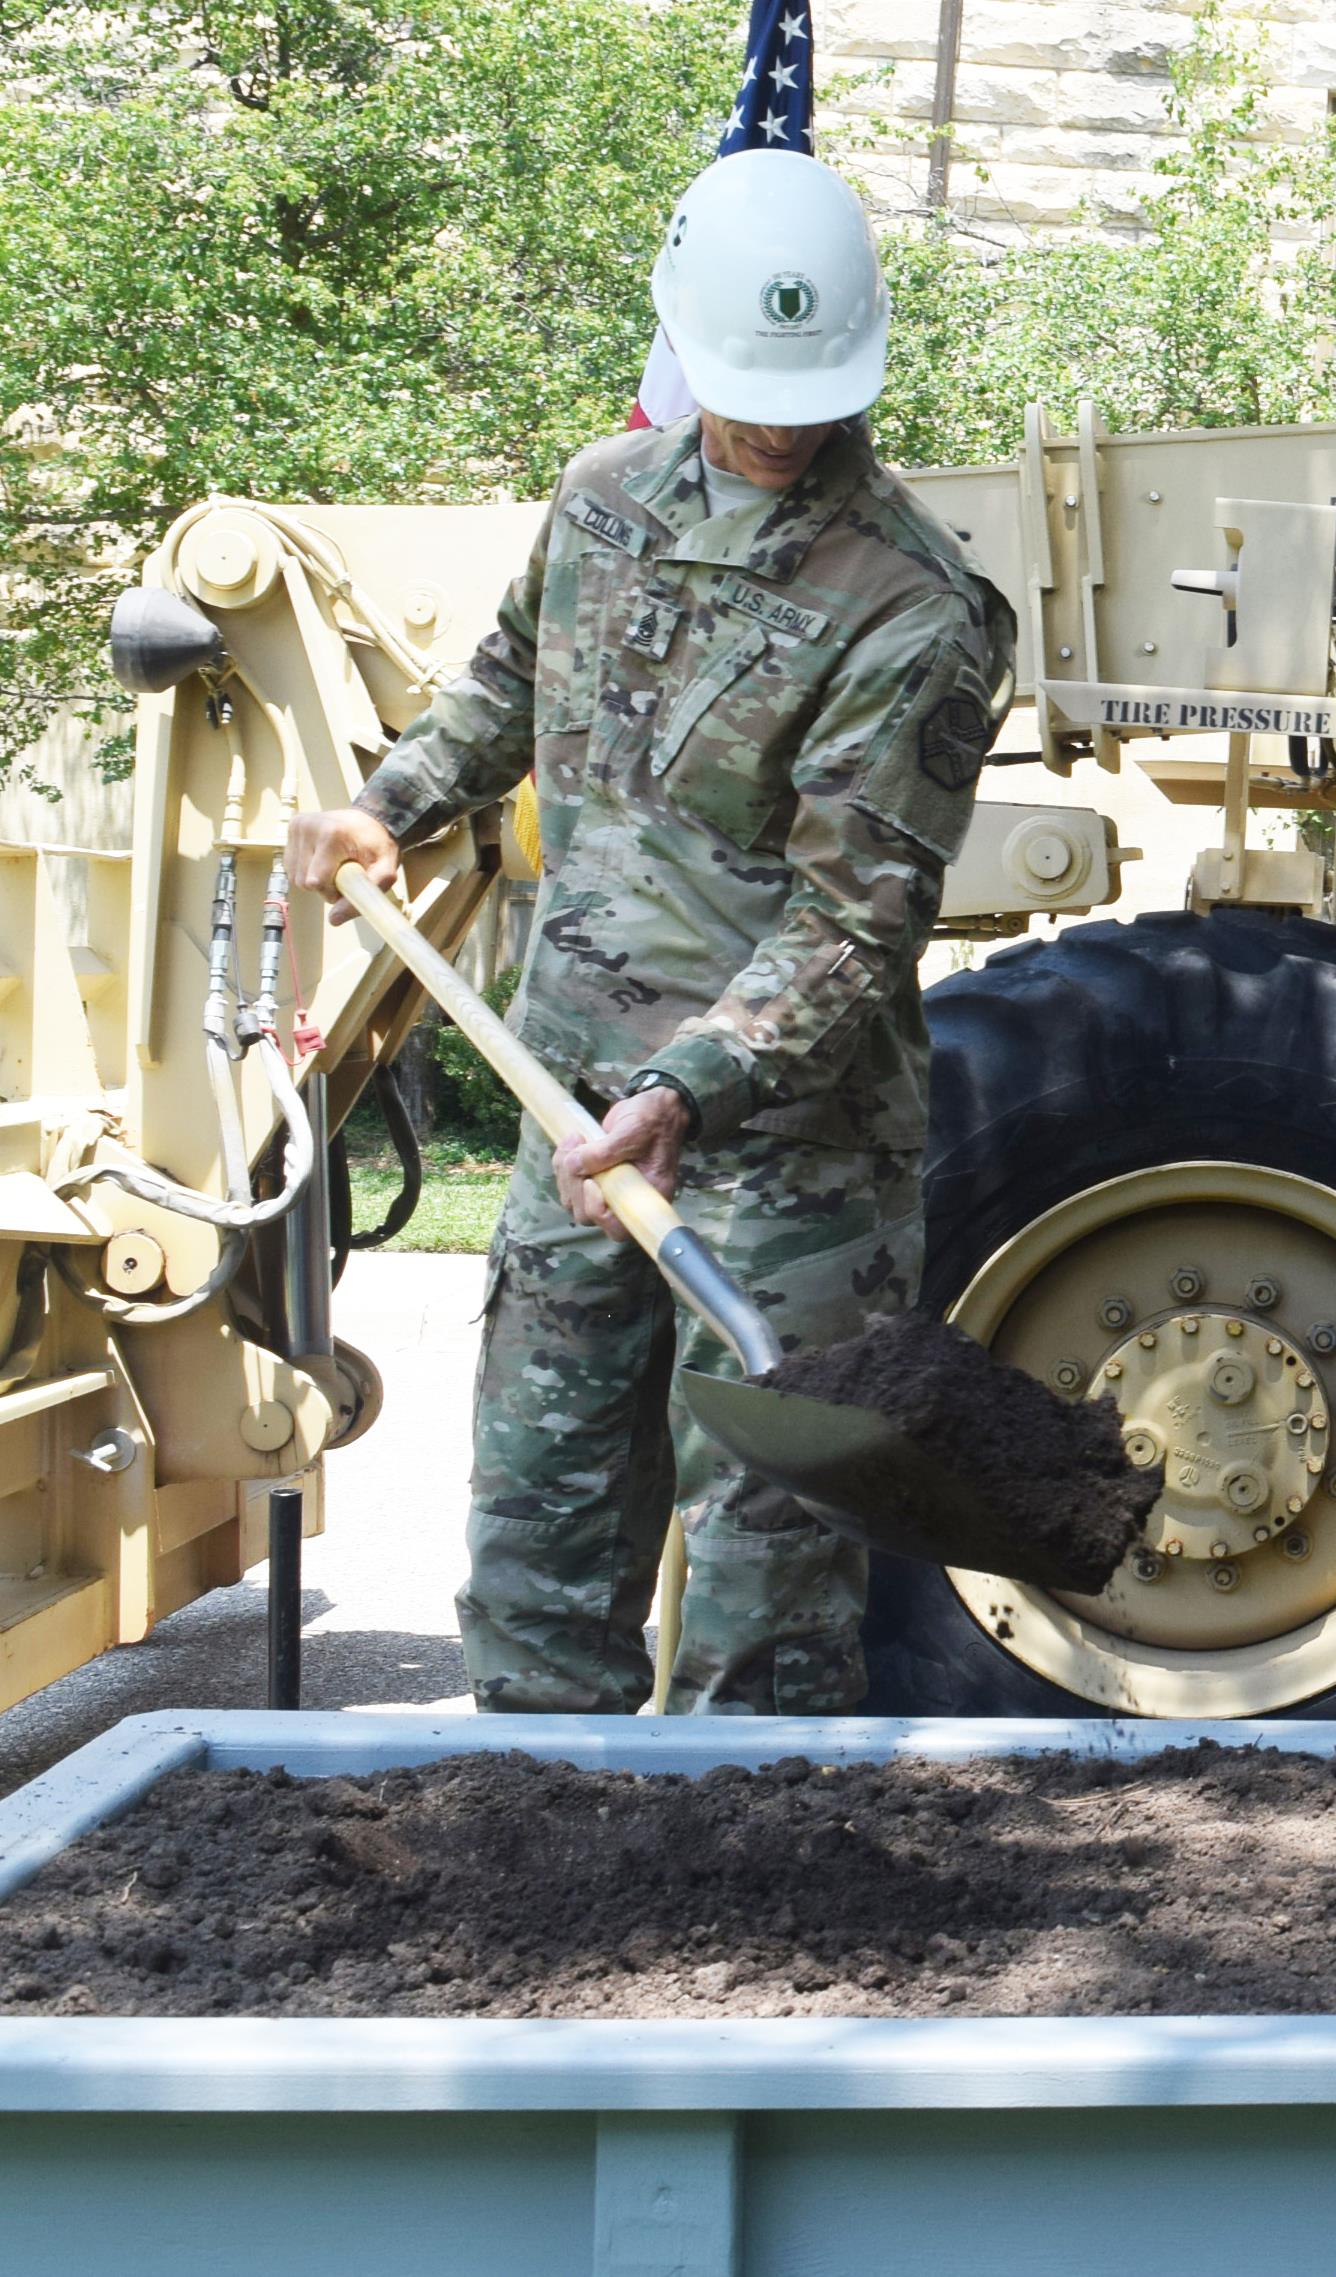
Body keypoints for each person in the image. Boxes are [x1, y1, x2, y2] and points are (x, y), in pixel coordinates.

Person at [286, 150, 1012, 1713]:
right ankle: (534, 1879)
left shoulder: (916, 609)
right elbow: (504, 687)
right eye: (745, 385)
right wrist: (391, 802)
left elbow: (850, 924)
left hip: (777, 1169)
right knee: (539, 1544)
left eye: (802, 392)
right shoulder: (598, 497)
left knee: (765, 1598)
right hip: (570, 1119)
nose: (771, 423)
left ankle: (743, 1929)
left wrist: (682, 1091)